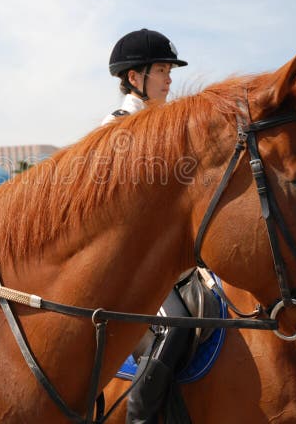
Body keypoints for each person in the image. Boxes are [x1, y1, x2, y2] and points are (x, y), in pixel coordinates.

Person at [103, 28, 190, 424]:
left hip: (169, 260)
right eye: (161, 69)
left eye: (170, 69)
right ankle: (139, 417)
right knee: (176, 327)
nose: (170, 78)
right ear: (135, 78)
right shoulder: (120, 127)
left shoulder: (162, 125)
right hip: (133, 264)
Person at [101, 28, 186, 126]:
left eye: (169, 72)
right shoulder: (116, 125)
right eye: (161, 70)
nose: (169, 80)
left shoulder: (168, 123)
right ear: (133, 77)